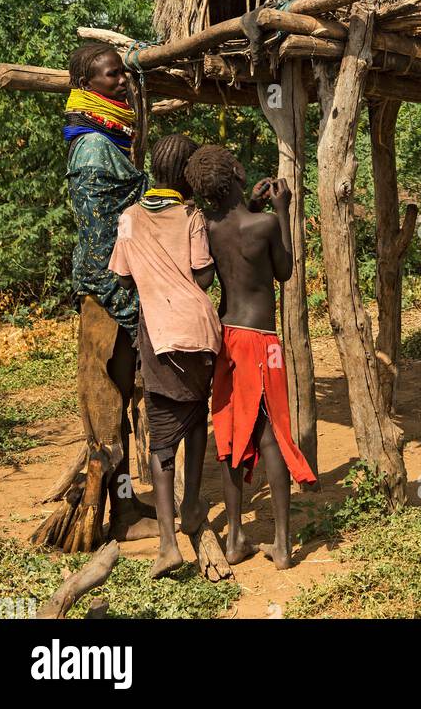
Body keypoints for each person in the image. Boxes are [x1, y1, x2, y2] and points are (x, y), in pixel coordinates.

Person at [184, 145, 317, 569]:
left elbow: (231, 235)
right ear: (239, 171)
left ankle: (236, 536)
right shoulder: (266, 225)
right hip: (262, 340)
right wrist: (282, 211)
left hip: (226, 338)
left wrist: (257, 205)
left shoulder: (207, 226)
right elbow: (284, 270)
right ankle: (281, 544)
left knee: (230, 434)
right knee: (270, 434)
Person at [108, 134, 222, 578]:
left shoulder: (130, 217)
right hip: (198, 331)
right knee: (196, 420)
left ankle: (169, 543)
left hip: (157, 337)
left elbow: (120, 278)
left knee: (161, 440)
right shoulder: (193, 215)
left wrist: (150, 279)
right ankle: (192, 505)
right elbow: (204, 276)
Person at [64, 41, 157, 544]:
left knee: (119, 404)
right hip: (110, 297)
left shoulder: (107, 137)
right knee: (111, 408)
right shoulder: (95, 150)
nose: (122, 81)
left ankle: (126, 506)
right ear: (86, 85)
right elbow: (101, 243)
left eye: (123, 73)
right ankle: (119, 514)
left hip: (119, 289)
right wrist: (131, 312)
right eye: (111, 76)